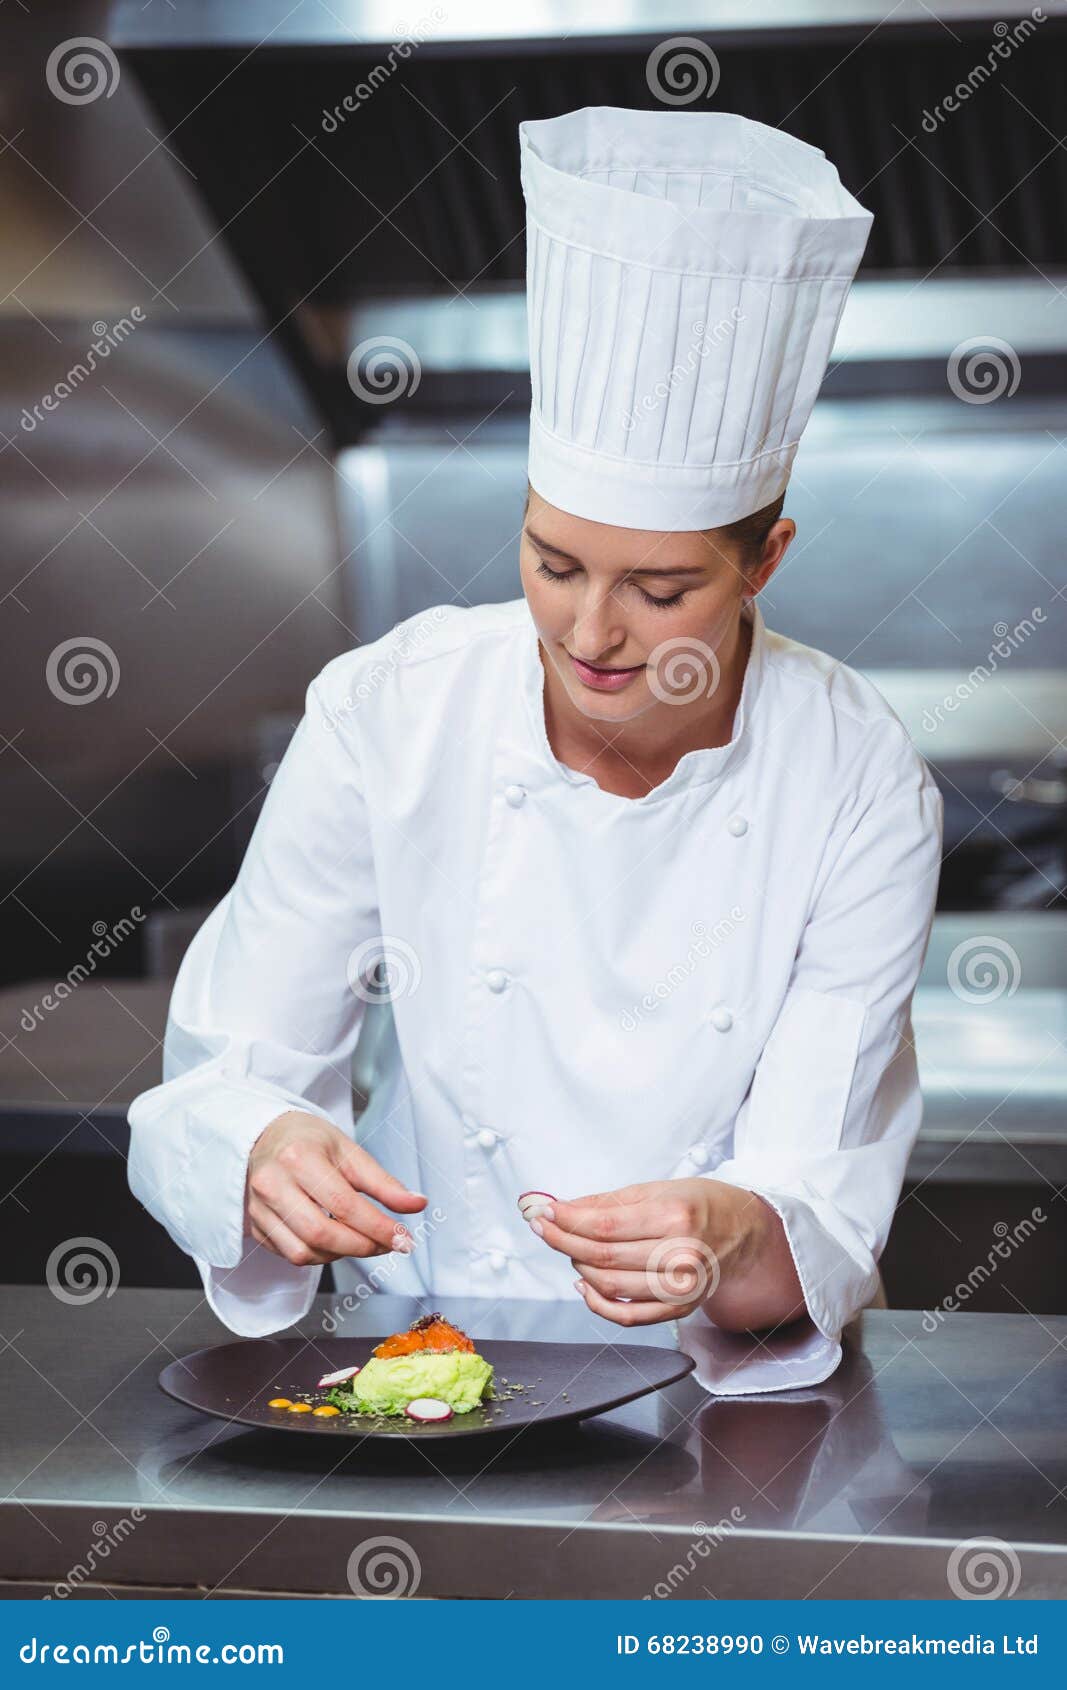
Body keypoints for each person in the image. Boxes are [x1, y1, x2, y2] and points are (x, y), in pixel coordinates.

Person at [128, 108, 942, 1394]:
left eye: (660, 588)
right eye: (552, 562)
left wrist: (726, 1234)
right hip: (414, 1365)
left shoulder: (851, 770)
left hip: (711, 1392)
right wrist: (261, 1144)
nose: (590, 631)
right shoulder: (387, 710)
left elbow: (813, 1210)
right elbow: (220, 1078)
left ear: (761, 564)